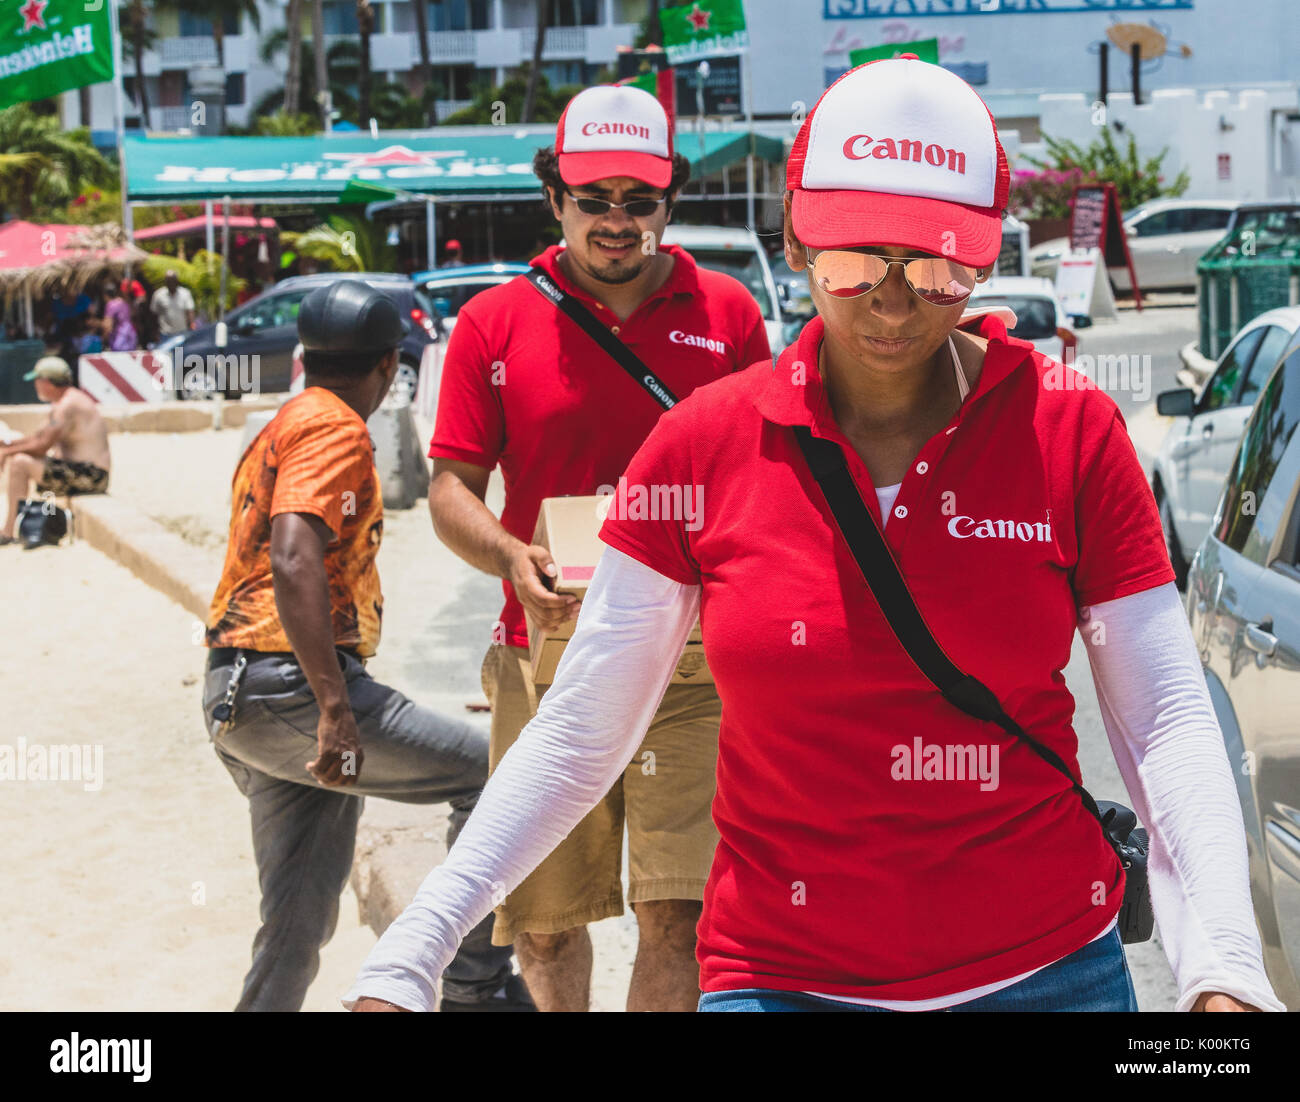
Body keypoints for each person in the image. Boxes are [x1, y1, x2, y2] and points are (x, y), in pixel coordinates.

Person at [344, 58, 1285, 1014]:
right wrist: (413, 951)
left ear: (989, 256)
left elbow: (1163, 720)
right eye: (851, 257)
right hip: (781, 981)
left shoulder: (1071, 433)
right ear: (795, 239)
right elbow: (585, 725)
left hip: (1047, 974)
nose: (891, 297)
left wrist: (1222, 968)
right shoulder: (700, 446)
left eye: (937, 262)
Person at [358, 84, 770, 1013]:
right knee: (543, 921)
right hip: (543, 653)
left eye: (640, 198)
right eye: (594, 198)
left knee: (681, 915)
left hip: (695, 664)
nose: (617, 221)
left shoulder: (731, 313)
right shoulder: (495, 323)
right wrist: (511, 555)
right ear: (556, 199)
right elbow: (452, 486)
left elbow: (768, 470)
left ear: (669, 200)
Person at [201, 280, 533, 1013]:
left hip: (236, 693)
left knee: (296, 921)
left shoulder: (283, 420)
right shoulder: (338, 429)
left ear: (302, 357)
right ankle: (473, 985)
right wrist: (333, 708)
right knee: (492, 778)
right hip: (290, 689)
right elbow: (292, 555)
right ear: (389, 367)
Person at [1, 356, 110, 545]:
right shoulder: (64, 402)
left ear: (47, 382)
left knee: (20, 463)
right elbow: (38, 437)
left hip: (92, 476)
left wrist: (6, 452)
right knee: (18, 457)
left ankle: (9, 531)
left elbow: (42, 446)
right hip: (83, 471)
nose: (35, 386)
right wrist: (8, 445)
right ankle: (12, 527)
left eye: (37, 381)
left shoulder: (68, 405)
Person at [151, 270, 195, 338]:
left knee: (179, 349)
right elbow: (154, 315)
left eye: (173, 281)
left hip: (180, 334)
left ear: (177, 281)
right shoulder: (158, 295)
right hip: (165, 334)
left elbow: (189, 311)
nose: (171, 283)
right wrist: (155, 332)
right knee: (166, 349)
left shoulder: (185, 293)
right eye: (168, 281)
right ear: (165, 282)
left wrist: (191, 326)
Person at [104, 284, 138, 351]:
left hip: (120, 338)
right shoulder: (124, 302)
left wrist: (103, 339)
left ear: (105, 295)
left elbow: (108, 325)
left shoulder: (111, 304)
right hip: (131, 335)